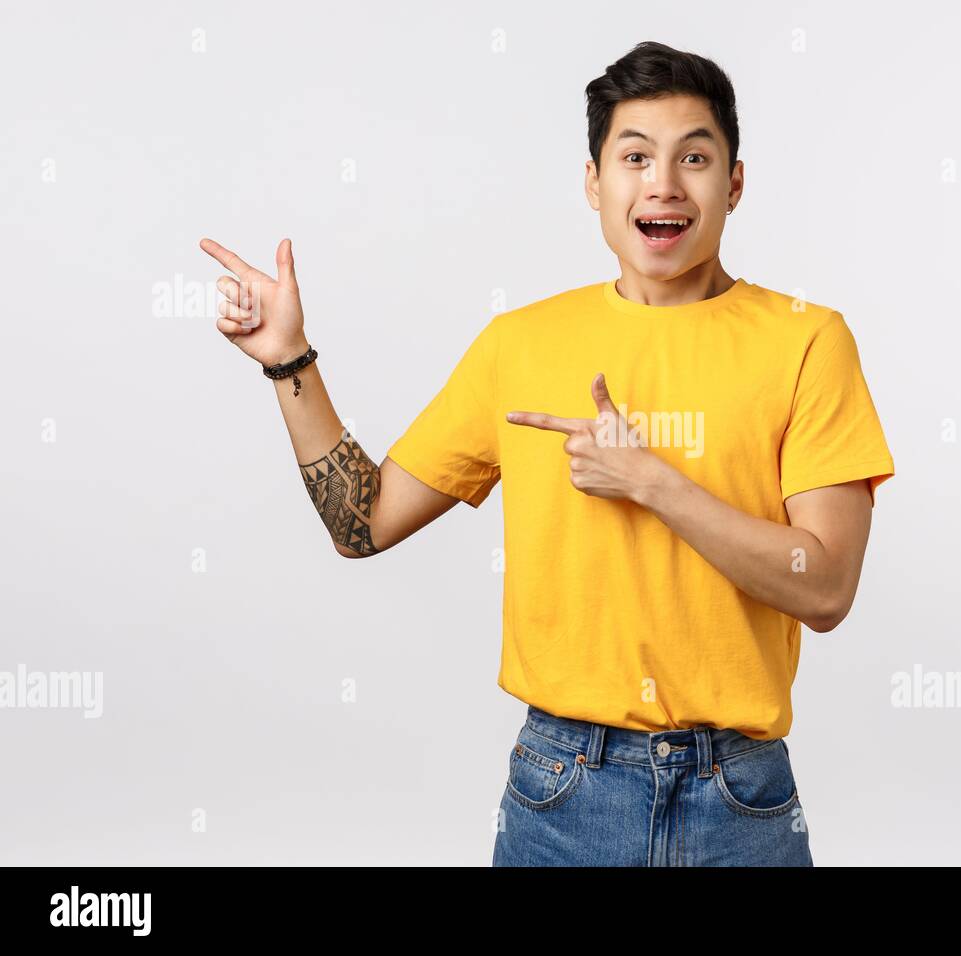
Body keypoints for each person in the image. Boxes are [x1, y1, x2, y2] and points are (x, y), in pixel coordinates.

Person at [200, 40, 894, 867]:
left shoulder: (808, 341)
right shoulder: (519, 344)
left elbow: (826, 588)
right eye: (635, 156)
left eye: (695, 157)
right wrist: (289, 360)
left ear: (734, 183)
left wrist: (653, 484)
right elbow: (365, 522)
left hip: (739, 800)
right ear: (596, 183)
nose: (663, 183)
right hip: (563, 792)